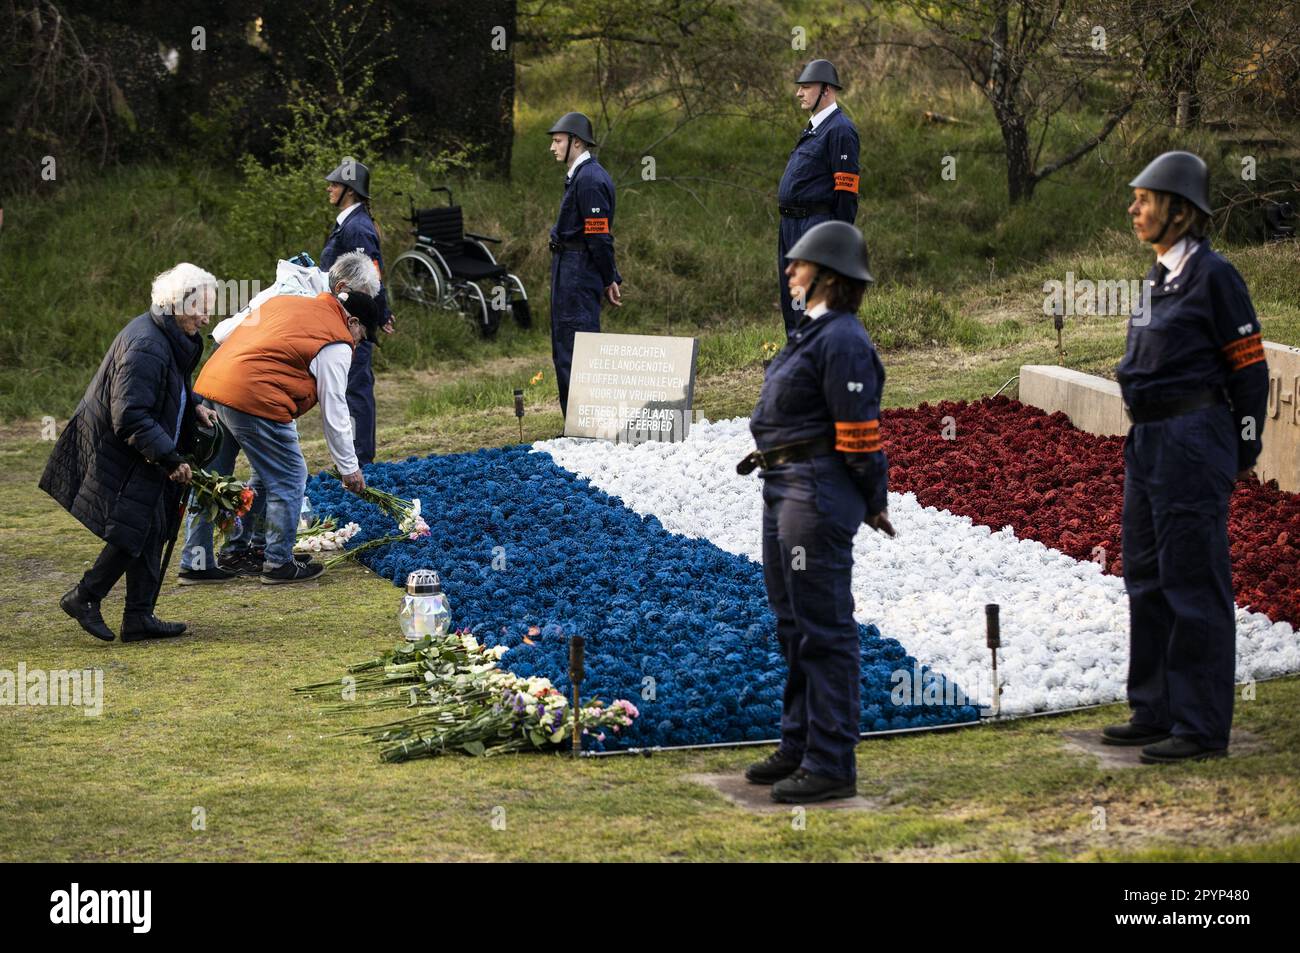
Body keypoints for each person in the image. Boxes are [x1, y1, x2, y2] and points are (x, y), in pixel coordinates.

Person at [1103, 151, 1269, 764]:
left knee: (1192, 580)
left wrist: (1242, 449)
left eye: (1144, 199)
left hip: (1192, 439)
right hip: (1148, 441)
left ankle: (1200, 726)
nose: (1133, 209)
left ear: (1178, 210)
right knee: (1146, 576)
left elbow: (1250, 371)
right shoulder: (1158, 275)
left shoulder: (1215, 276)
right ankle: (1155, 710)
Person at [737, 221, 894, 804]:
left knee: (823, 627)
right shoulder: (813, 331)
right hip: (785, 484)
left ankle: (831, 762)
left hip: (815, 489)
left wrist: (872, 498)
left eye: (799, 263)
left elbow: (859, 433)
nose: (789, 270)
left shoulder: (844, 339)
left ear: (828, 275)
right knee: (793, 621)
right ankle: (800, 743)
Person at [42, 263, 220, 642]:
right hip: (125, 449)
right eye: (202, 310)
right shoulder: (147, 346)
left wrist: (194, 406)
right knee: (136, 529)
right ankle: (84, 597)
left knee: (151, 528)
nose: (207, 319)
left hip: (144, 448)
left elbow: (170, 386)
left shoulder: (168, 335)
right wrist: (170, 457)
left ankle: (138, 617)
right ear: (178, 304)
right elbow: (130, 415)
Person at [189, 251, 381, 584]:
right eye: (362, 336)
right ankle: (278, 562)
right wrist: (349, 468)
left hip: (214, 385)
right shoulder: (336, 340)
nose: (358, 343)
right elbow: (335, 409)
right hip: (253, 395)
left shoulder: (291, 301)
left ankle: (215, 557)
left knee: (220, 479)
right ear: (352, 322)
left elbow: (228, 333)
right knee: (291, 476)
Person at [546, 112, 622, 418]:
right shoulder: (580, 175)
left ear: (575, 142)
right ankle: (576, 423)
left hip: (577, 270)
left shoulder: (589, 180)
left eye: (557, 141)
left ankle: (583, 424)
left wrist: (609, 276)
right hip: (568, 266)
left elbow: (598, 236)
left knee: (576, 345)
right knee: (566, 344)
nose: (552, 147)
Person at [777, 59, 860, 336]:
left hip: (814, 226)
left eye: (806, 87)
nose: (799, 93)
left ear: (826, 90)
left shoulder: (840, 130)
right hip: (791, 226)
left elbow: (846, 192)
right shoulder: (814, 127)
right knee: (794, 298)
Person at [321, 158, 393, 466]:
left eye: (334, 184)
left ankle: (360, 457)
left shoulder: (357, 228)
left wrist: (381, 312)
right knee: (349, 385)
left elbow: (370, 274)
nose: (329, 188)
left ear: (349, 190)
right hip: (342, 316)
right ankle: (353, 455)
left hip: (353, 319)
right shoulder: (348, 223)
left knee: (356, 385)